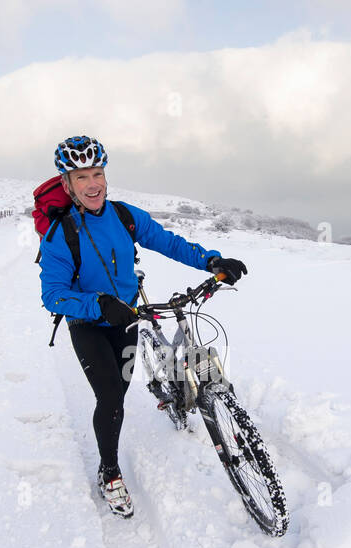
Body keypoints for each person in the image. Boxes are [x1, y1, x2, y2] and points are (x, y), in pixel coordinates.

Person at [39, 135, 248, 519]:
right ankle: (110, 472)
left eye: (97, 173)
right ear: (67, 185)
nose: (92, 183)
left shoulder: (123, 215)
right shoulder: (60, 234)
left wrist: (211, 261)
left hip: (127, 320)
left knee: (121, 388)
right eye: (81, 176)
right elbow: (52, 294)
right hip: (89, 326)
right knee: (111, 398)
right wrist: (98, 303)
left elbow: (167, 241)